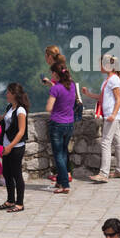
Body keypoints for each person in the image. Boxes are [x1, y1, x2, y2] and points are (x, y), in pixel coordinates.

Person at [84, 54, 120, 183]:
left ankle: (104, 173)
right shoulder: (108, 80)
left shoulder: (114, 80)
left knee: (106, 143)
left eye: (101, 64)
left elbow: (118, 99)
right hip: (111, 115)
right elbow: (102, 98)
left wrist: (113, 114)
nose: (99, 66)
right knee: (117, 142)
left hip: (111, 116)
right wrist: (88, 94)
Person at [45, 60, 77, 194]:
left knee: (58, 155)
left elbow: (49, 108)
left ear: (54, 73)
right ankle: (60, 181)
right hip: (69, 123)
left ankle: (65, 185)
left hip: (57, 124)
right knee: (64, 152)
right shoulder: (72, 85)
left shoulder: (55, 89)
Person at [0, 82, 29, 211]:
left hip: (16, 147)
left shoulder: (20, 110)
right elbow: (5, 120)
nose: (6, 94)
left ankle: (19, 203)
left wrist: (10, 146)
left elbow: (21, 131)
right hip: (7, 145)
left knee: (16, 174)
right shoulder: (9, 107)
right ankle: (10, 200)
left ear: (14, 94)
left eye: (8, 92)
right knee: (7, 173)